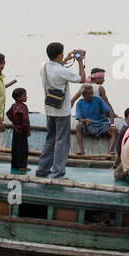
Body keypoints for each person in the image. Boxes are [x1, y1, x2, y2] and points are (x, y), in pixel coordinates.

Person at [35, 42, 86, 180]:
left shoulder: (43, 66)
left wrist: (66, 60)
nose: (64, 55)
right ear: (58, 55)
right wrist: (80, 61)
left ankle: (42, 169)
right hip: (62, 111)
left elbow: (56, 66)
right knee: (62, 142)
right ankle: (58, 173)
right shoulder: (62, 71)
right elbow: (82, 79)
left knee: (50, 140)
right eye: (62, 53)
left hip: (49, 108)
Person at [72, 83, 115, 155]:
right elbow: (79, 119)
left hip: (102, 125)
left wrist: (112, 123)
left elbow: (109, 111)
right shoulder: (79, 103)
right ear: (83, 95)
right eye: (89, 94)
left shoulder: (98, 99)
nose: (91, 95)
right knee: (78, 127)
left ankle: (109, 151)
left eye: (92, 93)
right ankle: (82, 151)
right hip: (89, 126)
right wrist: (85, 120)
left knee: (114, 130)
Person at [6, 88, 31, 174]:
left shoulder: (14, 106)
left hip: (15, 130)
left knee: (15, 147)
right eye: (24, 96)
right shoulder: (23, 107)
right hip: (22, 131)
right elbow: (25, 121)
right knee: (23, 148)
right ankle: (22, 166)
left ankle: (14, 164)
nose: (26, 97)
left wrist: (14, 122)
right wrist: (27, 131)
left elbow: (8, 114)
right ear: (18, 98)